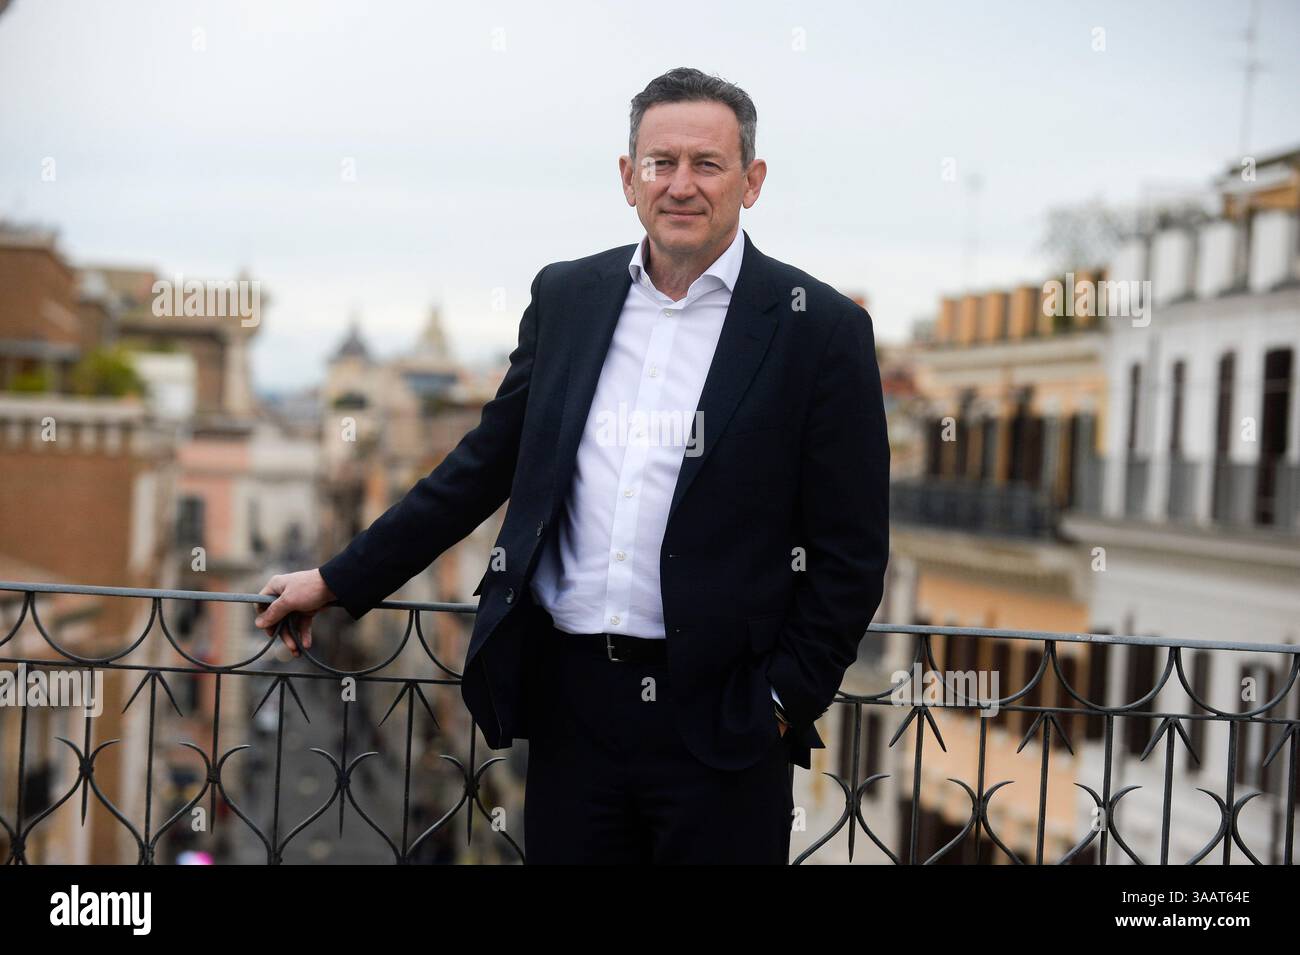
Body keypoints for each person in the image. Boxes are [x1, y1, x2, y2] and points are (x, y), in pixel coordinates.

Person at [254, 66, 890, 864]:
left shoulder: (819, 329)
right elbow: (480, 468)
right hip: (571, 709)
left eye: (707, 163)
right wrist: (338, 580)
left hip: (724, 721)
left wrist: (779, 702)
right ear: (629, 178)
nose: (681, 184)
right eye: (661, 162)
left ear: (751, 181)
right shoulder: (568, 297)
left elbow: (853, 553)